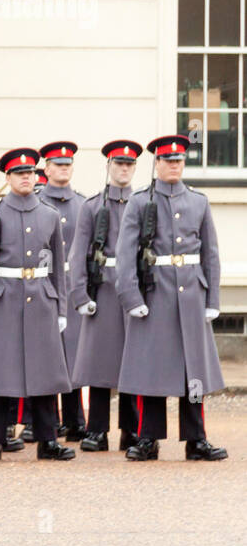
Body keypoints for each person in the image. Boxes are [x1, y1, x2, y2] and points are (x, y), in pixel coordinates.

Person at [114, 135, 227, 462]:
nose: (174, 165)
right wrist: (131, 297)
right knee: (153, 370)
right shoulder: (139, 202)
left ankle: (196, 438)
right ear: (157, 163)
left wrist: (212, 299)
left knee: (194, 371)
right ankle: (148, 438)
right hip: (155, 292)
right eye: (168, 160)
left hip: (192, 293)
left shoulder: (198, 201)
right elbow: (125, 256)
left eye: (179, 160)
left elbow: (211, 254)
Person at [0, 148, 75, 461]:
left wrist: (61, 308)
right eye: (19, 173)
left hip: (41, 299)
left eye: (30, 172)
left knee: (45, 374)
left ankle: (48, 440)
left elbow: (57, 265)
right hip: (4, 300)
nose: (27, 178)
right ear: (8, 178)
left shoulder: (49, 215)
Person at [67, 140, 141, 452]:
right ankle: (96, 429)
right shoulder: (93, 206)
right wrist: (80, 294)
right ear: (108, 166)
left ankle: (132, 429)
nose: (123, 169)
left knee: (133, 363)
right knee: (100, 364)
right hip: (104, 288)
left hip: (135, 287)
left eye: (129, 165)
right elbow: (79, 252)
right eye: (118, 164)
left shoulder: (142, 203)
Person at [29, 141, 87, 442]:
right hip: (43, 284)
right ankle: (40, 421)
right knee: (44, 355)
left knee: (74, 355)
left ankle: (77, 421)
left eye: (67, 164)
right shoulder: (36, 202)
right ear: (47, 169)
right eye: (57, 164)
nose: (63, 169)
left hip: (73, 285)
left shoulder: (84, 204)